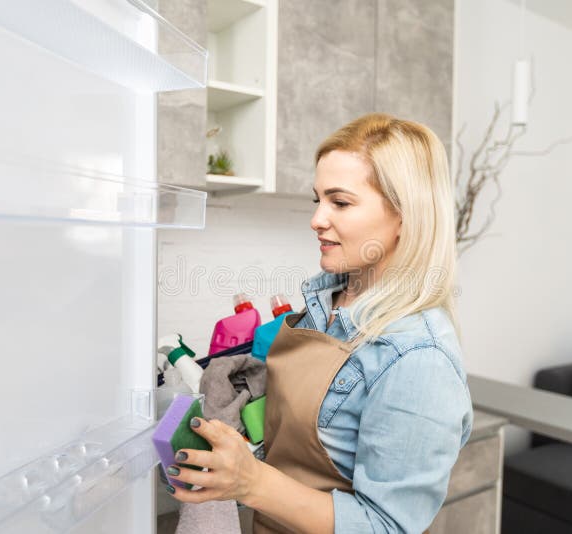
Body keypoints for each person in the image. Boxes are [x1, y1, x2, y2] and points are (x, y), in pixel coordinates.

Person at [166, 113, 474, 533]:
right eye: (318, 200)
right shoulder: (323, 306)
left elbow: (388, 527)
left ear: (405, 214)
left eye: (340, 202)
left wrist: (251, 482)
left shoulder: (418, 358)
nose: (316, 219)